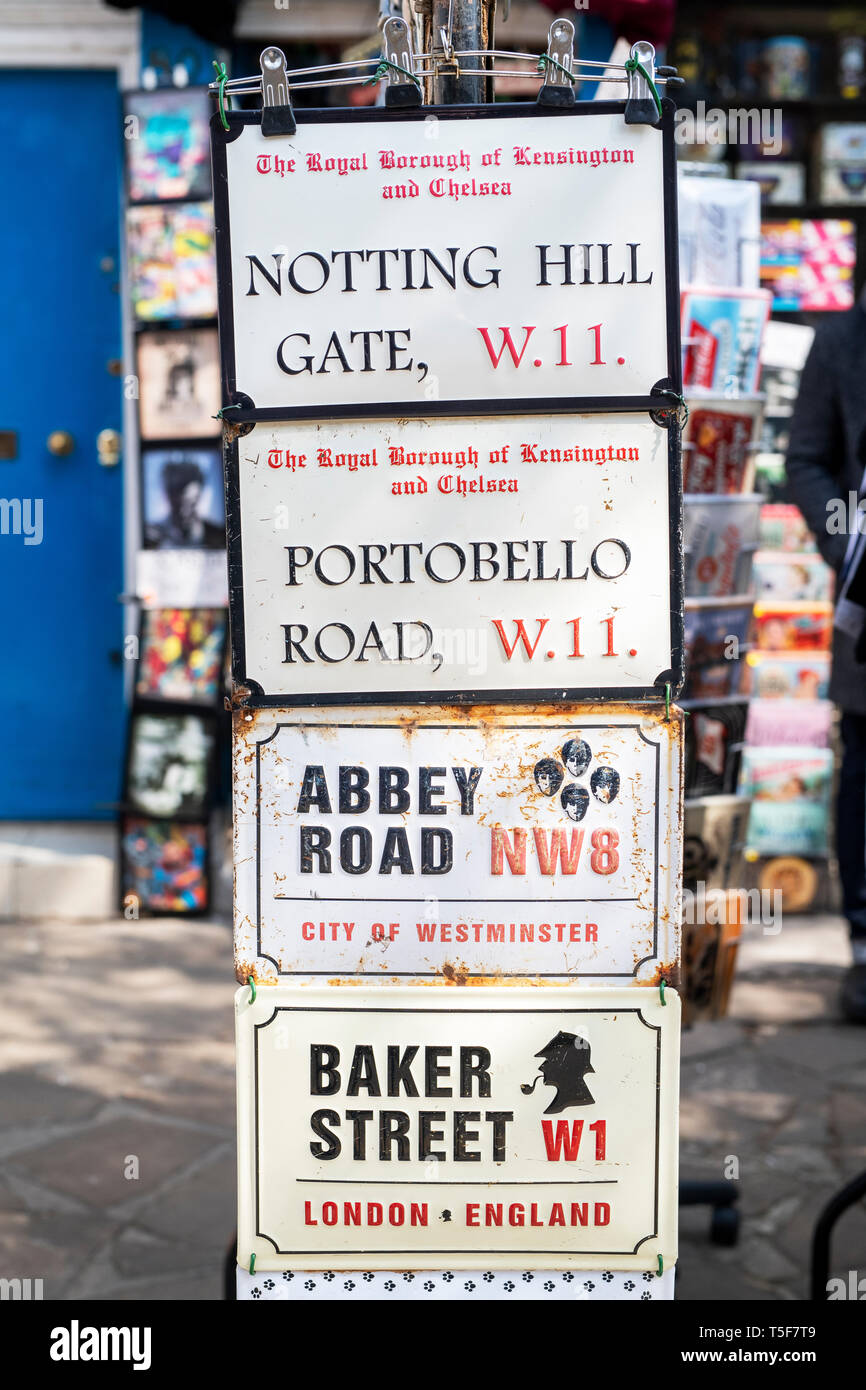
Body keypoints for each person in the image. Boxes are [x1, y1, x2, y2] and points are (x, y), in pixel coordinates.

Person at [784, 304, 866, 1022]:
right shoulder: (842, 340)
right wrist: (848, 548)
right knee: (865, 768)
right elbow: (803, 457)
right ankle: (865, 948)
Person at [145, 459, 224, 549]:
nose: (183, 510)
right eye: (177, 501)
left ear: (199, 495)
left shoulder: (218, 534)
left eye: (190, 502)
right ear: (167, 494)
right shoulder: (151, 535)